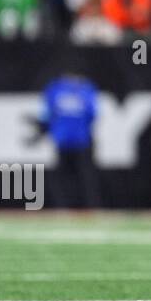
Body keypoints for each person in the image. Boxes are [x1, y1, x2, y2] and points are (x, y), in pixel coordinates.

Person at [42, 73, 100, 208]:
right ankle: (64, 208)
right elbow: (47, 114)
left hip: (79, 141)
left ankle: (89, 207)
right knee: (64, 179)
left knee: (85, 179)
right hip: (65, 142)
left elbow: (92, 114)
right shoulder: (55, 89)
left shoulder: (86, 89)